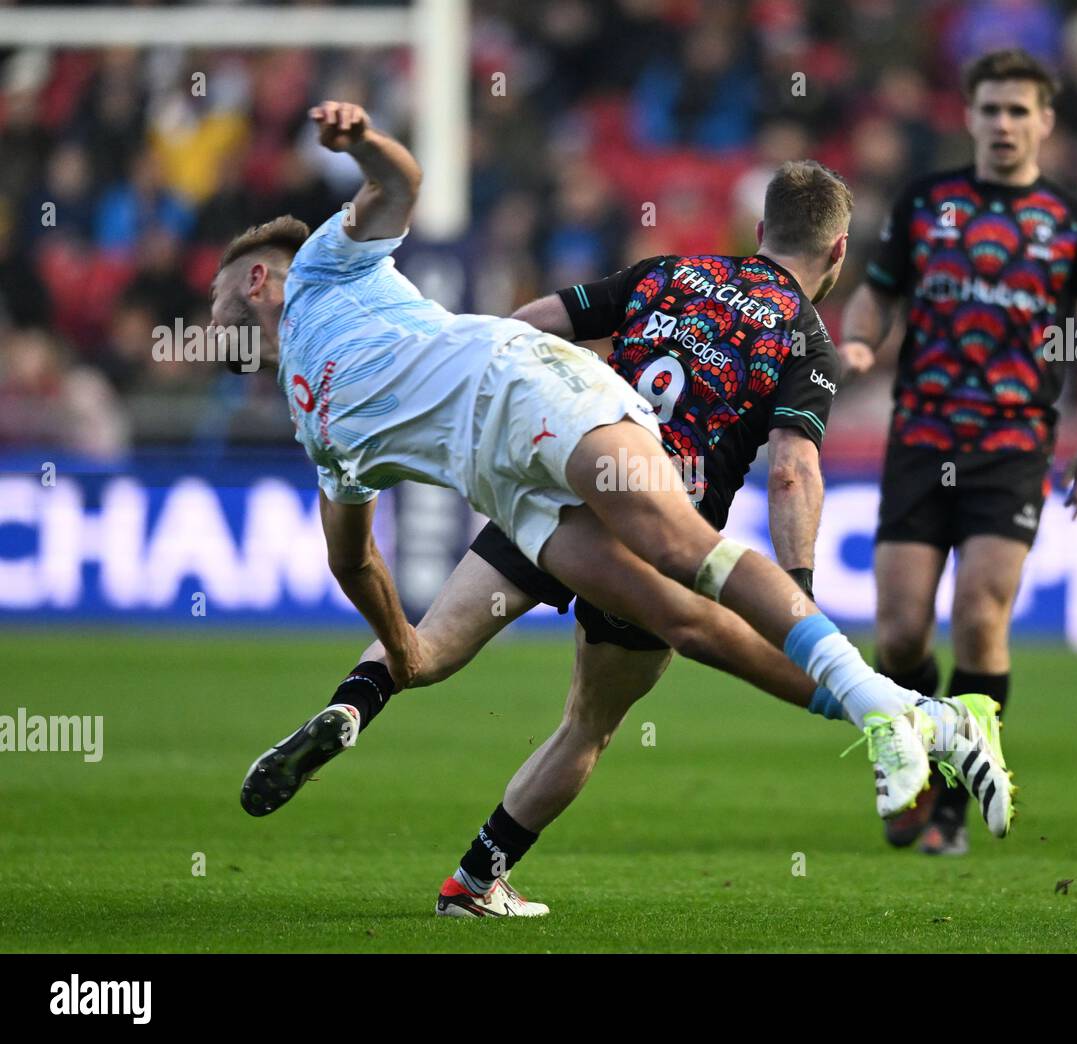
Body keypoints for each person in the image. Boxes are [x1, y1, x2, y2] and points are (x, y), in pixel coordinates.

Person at [213, 101, 1014, 911]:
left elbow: (525, 324)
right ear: (838, 251)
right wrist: (798, 588)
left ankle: (376, 733)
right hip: (596, 443)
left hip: (521, 467)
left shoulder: (668, 272)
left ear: (759, 225)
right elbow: (793, 473)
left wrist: (528, 377)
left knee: (428, 650)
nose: (211, 325)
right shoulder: (803, 335)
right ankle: (911, 714)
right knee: (635, 675)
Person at [838, 50, 1077, 855]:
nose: (1004, 124)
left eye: (1020, 111)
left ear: (1045, 121)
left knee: (980, 616)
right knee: (902, 633)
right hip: (920, 437)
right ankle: (916, 766)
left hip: (1012, 442)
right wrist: (866, 341)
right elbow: (878, 286)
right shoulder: (925, 203)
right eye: (991, 110)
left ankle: (947, 809)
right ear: (968, 116)